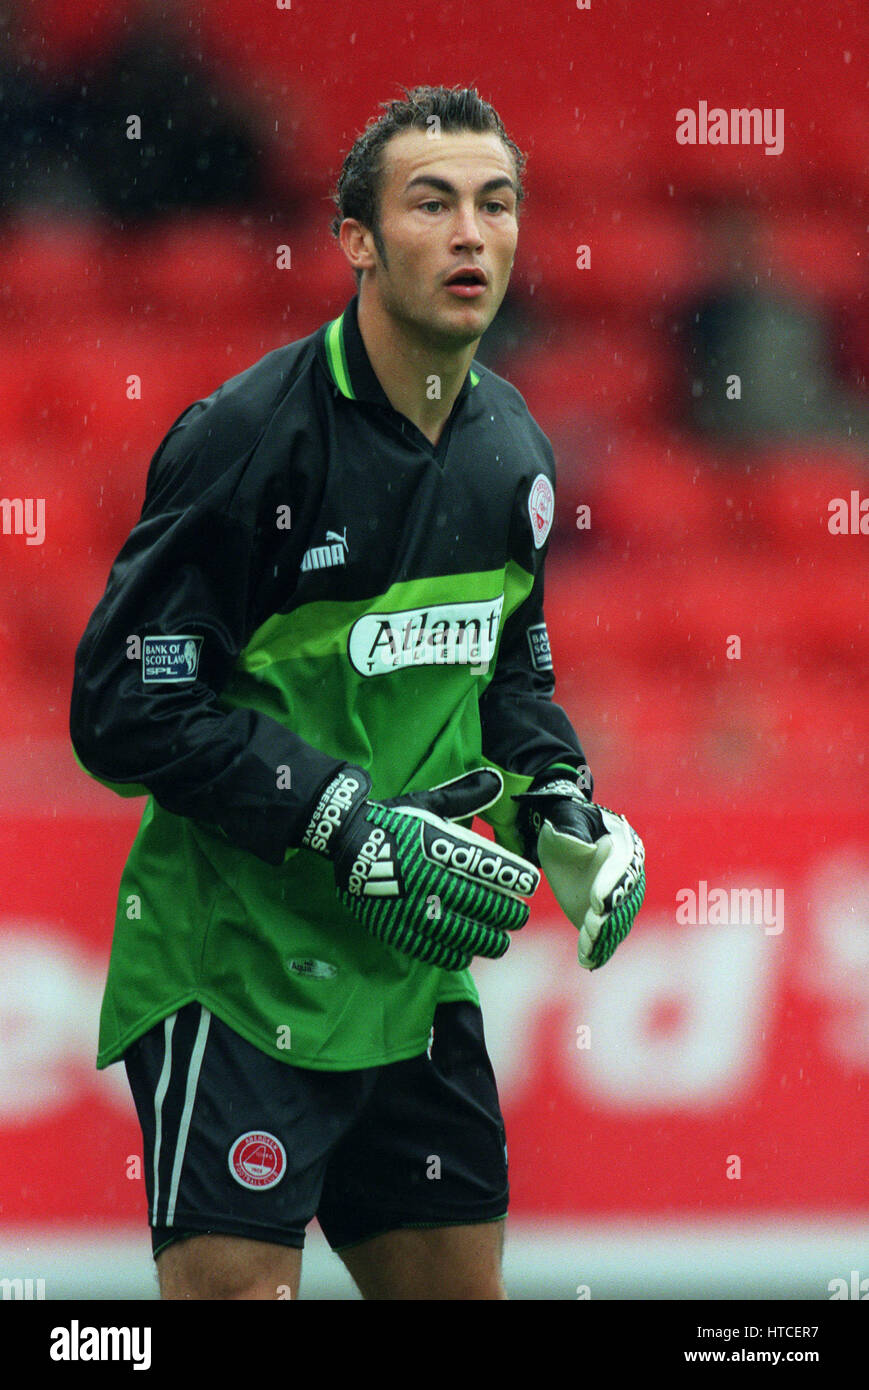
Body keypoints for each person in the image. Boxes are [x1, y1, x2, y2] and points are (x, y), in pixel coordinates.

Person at [70, 84, 645, 1301]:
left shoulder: (512, 451)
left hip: (408, 969)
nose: (470, 234)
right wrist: (339, 818)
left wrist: (562, 803)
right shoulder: (245, 441)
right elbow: (121, 708)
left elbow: (509, 668)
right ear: (357, 240)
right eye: (430, 204)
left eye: (495, 205)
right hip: (234, 968)